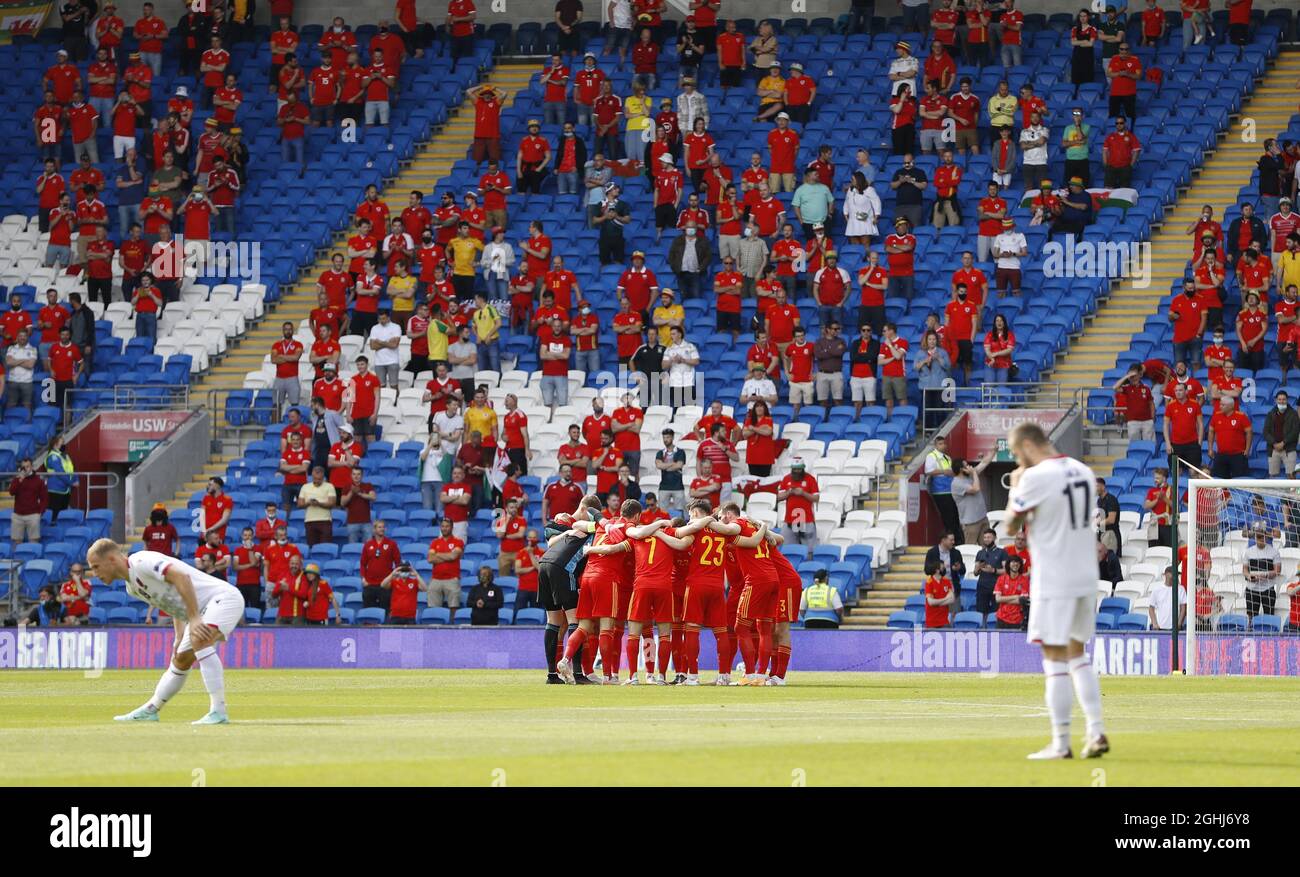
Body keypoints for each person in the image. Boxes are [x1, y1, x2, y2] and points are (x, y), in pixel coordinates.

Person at [1004, 421, 1108, 760]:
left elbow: (1011, 524)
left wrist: (1015, 486)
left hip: (1054, 576)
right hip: (1085, 575)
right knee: (1078, 654)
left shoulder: (1034, 477)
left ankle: (1061, 742)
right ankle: (1095, 731)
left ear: (1029, 447)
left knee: (1053, 658)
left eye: (1018, 455)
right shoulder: (1082, 471)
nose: (1019, 462)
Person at [88, 539, 244, 725]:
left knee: (199, 639)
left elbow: (181, 578)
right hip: (199, 610)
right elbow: (171, 600)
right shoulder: (131, 588)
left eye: (96, 567)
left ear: (111, 559)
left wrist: (194, 618)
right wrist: (178, 636)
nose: (94, 573)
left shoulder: (141, 561)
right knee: (180, 659)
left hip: (222, 598)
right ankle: (151, 709)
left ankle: (218, 711)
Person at [951, 453, 994, 545]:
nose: (970, 466)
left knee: (987, 546)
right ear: (961, 469)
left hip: (982, 517)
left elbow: (984, 463)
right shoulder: (956, 483)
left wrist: (994, 451)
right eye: (966, 465)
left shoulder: (970, 475)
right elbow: (975, 489)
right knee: (970, 548)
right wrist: (974, 473)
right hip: (970, 522)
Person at [1242, 526, 1281, 623]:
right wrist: (1248, 576)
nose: (1261, 539)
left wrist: (1264, 575)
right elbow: (1244, 570)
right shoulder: (1248, 552)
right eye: (1258, 537)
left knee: (1269, 616)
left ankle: (1270, 636)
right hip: (1252, 588)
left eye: (1262, 537)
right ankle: (1250, 634)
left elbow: (1277, 571)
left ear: (1266, 537)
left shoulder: (1274, 552)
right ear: (1255, 538)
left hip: (1267, 588)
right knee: (1251, 616)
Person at [993, 555, 1030, 629]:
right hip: (1001, 618)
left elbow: (1022, 600)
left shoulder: (1024, 580)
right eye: (1013, 562)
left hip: (1017, 619)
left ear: (1020, 565)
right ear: (1008, 564)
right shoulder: (1001, 579)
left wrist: (1003, 600)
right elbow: (997, 599)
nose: (1015, 564)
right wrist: (1016, 596)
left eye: (1018, 562)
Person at [923, 559, 956, 628]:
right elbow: (931, 602)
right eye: (942, 567)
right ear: (937, 570)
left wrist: (937, 603)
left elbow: (952, 599)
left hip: (944, 621)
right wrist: (945, 599)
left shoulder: (947, 581)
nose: (944, 568)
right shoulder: (929, 582)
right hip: (931, 623)